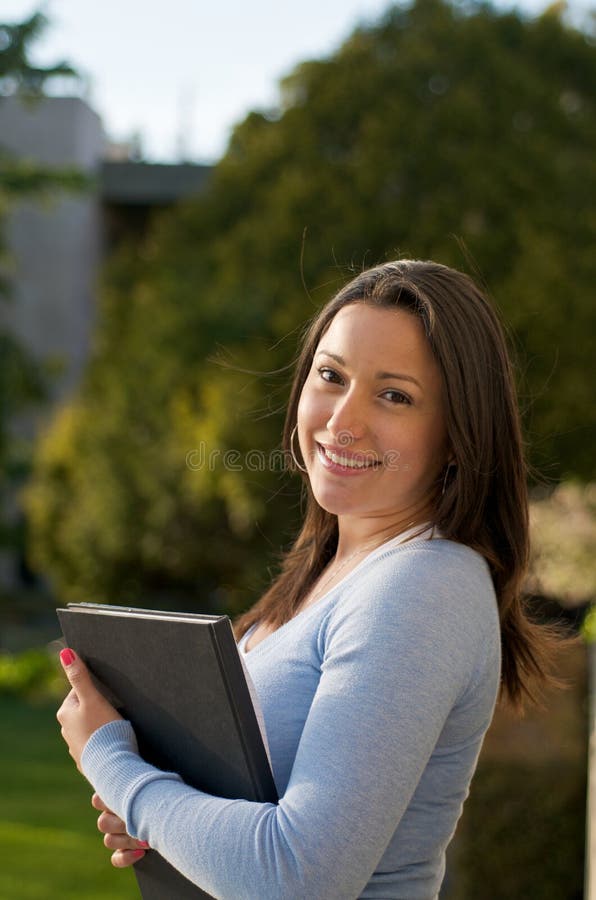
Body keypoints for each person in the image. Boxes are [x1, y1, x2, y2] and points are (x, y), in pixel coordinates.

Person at [57, 259, 558, 900]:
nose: (342, 420)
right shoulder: (324, 576)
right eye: (331, 375)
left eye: (394, 395)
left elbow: (297, 878)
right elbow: (256, 825)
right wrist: (167, 820)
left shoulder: (424, 588)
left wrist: (115, 764)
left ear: (459, 435)